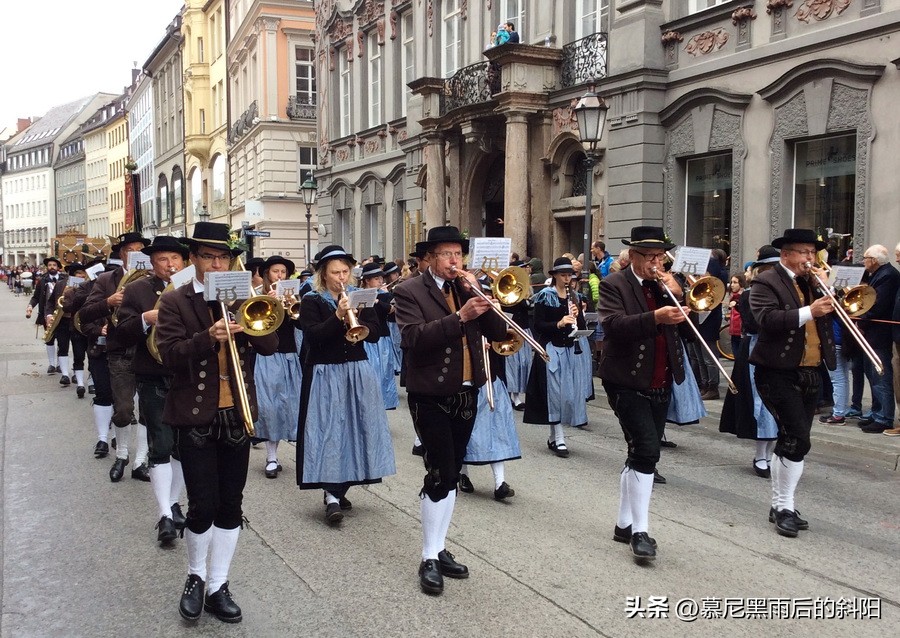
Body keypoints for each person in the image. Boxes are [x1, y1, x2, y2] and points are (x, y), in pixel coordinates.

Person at [156, 222, 278, 623]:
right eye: (208, 256)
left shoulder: (243, 295)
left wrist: (257, 314)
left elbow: (271, 344)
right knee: (202, 504)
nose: (216, 263)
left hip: (237, 415)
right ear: (194, 260)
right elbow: (170, 355)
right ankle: (195, 575)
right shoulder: (176, 301)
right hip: (195, 414)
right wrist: (209, 336)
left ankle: (218, 584)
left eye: (223, 256)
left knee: (231, 503)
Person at [393, 226, 506, 596]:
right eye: (446, 254)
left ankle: (439, 547)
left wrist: (481, 295)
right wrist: (459, 319)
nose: (454, 260)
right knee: (439, 471)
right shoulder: (408, 291)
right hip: (430, 393)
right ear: (430, 258)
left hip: (468, 391)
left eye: (458, 253)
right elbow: (413, 339)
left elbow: (497, 331)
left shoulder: (467, 286)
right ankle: (428, 555)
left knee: (453, 471)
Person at [598, 226, 692, 563]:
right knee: (647, 450)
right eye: (650, 257)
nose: (657, 263)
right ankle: (640, 530)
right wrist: (655, 316)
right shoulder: (614, 284)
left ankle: (624, 523)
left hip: (661, 379)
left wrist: (681, 300)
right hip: (626, 378)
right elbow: (613, 325)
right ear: (633, 257)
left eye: (660, 257)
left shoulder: (666, 286)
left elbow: (688, 331)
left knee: (639, 451)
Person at [296, 246, 396, 524]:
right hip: (325, 372)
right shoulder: (312, 300)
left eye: (345, 271)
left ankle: (342, 486)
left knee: (356, 428)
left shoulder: (361, 296)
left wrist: (362, 317)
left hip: (357, 369)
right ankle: (331, 495)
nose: (341, 277)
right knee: (330, 430)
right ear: (323, 275)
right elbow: (313, 337)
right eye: (335, 272)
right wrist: (339, 316)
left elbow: (374, 334)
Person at [749, 228, 836, 538]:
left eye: (812, 253)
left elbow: (832, 318)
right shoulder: (766, 281)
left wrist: (829, 292)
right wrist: (808, 310)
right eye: (803, 253)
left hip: (811, 370)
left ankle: (781, 505)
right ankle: (784, 507)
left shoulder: (814, 282)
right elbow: (766, 319)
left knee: (795, 438)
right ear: (785, 254)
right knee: (797, 437)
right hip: (776, 370)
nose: (809, 259)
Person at [116, 235, 189, 545]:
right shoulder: (137, 290)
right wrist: (146, 318)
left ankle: (173, 503)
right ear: (152, 262)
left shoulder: (192, 289)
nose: (170, 265)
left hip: (186, 375)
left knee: (183, 446)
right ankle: (163, 514)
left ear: (184, 261)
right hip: (154, 376)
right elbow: (120, 334)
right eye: (163, 259)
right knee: (160, 443)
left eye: (175, 258)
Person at [79, 232, 152, 482]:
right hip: (120, 351)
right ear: (122, 254)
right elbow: (85, 313)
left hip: (149, 350)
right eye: (131, 250)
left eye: (141, 250)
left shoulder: (155, 279)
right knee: (122, 410)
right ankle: (122, 454)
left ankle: (141, 460)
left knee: (147, 411)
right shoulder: (106, 279)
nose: (137, 255)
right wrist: (109, 302)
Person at [719, 246, 780, 478]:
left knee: (780, 403)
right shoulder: (749, 294)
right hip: (757, 350)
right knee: (761, 402)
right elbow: (754, 325)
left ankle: (773, 453)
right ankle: (760, 455)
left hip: (781, 353)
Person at [524, 257, 593, 457]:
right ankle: (559, 438)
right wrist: (559, 323)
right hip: (551, 350)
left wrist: (577, 313)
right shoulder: (545, 296)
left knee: (568, 396)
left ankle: (554, 437)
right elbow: (537, 325)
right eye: (563, 275)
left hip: (570, 350)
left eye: (569, 275)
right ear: (554, 276)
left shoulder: (575, 296)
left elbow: (580, 324)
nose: (567, 278)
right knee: (554, 396)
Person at [254, 255, 302, 478]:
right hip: (268, 355)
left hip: (290, 354)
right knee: (270, 407)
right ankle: (271, 457)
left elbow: (301, 322)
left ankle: (293, 453)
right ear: (266, 275)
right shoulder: (257, 297)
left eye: (283, 272)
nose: (280, 276)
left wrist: (292, 305)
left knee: (290, 404)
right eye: (275, 272)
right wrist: (269, 303)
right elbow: (258, 326)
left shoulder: (293, 297)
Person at [458, 343, 520, 500]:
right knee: (464, 431)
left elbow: (502, 339)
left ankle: (500, 483)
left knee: (497, 429)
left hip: (491, 378)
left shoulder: (490, 317)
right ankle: (462, 474)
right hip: (465, 378)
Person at [856, 244, 899, 433]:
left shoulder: (888, 275)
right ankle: (876, 412)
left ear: (873, 260)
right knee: (872, 373)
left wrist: (861, 322)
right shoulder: (879, 274)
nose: (863, 261)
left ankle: (884, 417)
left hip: (879, 333)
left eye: (865, 258)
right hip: (874, 332)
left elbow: (877, 304)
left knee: (880, 375)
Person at [360, 262, 400, 409]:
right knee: (370, 376)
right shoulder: (358, 294)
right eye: (376, 279)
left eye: (380, 278)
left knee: (384, 374)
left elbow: (392, 310)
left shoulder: (384, 295)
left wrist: (376, 300)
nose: (380, 281)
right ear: (366, 281)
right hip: (365, 339)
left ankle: (384, 405)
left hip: (382, 339)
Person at [26, 256, 68, 376]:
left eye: (54, 265)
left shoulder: (65, 279)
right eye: (50, 265)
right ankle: (52, 364)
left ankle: (61, 364)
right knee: (49, 339)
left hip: (62, 314)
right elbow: (36, 297)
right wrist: (30, 306)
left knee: (62, 340)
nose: (52, 267)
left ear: (58, 267)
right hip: (46, 314)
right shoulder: (42, 280)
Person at [61, 263, 89, 397]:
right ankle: (80, 384)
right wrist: (78, 295)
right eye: (78, 273)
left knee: (93, 356)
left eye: (83, 273)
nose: (81, 275)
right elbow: (66, 308)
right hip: (76, 328)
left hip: (91, 327)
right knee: (78, 356)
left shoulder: (92, 289)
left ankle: (92, 382)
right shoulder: (69, 291)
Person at [727, 273, 747, 356]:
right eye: (731, 282)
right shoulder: (733, 296)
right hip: (734, 332)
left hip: (740, 332)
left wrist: (736, 303)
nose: (732, 285)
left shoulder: (743, 296)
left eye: (735, 282)